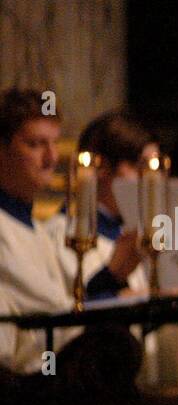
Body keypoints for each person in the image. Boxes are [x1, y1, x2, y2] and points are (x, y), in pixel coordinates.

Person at [0, 89, 81, 370]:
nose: (51, 157)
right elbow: (53, 305)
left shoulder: (37, 228)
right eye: (35, 144)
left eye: (54, 143)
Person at [43, 110, 152, 301]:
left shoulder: (137, 234)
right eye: (141, 167)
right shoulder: (62, 233)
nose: (151, 182)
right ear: (101, 167)